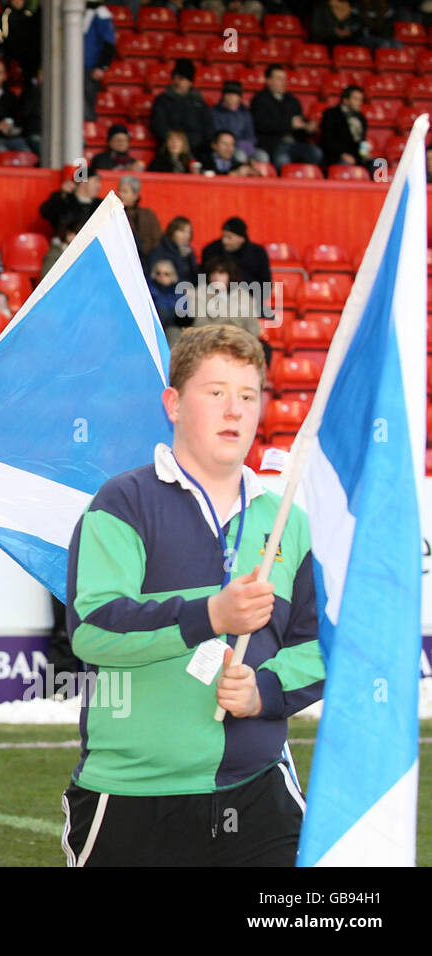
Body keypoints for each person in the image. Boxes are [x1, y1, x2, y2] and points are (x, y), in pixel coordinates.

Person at [62, 325, 323, 866]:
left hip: (259, 791)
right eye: (216, 392)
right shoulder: (123, 502)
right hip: (132, 792)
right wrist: (211, 614)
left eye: (248, 395)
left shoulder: (287, 521)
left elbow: (321, 645)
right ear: (174, 403)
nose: (234, 410)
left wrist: (264, 692)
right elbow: (93, 628)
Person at [250, 64, 322, 170]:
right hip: (273, 145)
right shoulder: (259, 100)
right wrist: (288, 124)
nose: (283, 82)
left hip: (295, 143)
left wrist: (307, 127)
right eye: (279, 78)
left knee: (315, 153)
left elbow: (299, 124)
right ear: (268, 81)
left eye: (284, 79)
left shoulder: (292, 101)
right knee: (283, 160)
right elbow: (262, 125)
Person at [149, 59, 213, 154]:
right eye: (176, 78)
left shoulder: (200, 103)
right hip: (171, 149)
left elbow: (208, 129)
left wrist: (195, 143)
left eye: (182, 78)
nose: (178, 82)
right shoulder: (162, 100)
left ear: (190, 82)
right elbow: (159, 125)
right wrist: (176, 141)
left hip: (197, 150)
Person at [200, 216, 271, 292]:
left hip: (249, 296)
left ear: (241, 239)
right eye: (223, 236)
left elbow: (266, 283)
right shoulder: (211, 250)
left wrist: (255, 298)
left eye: (229, 237)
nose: (224, 241)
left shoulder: (258, 253)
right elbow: (202, 278)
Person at [320, 85, 371, 170]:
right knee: (346, 164)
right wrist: (342, 154)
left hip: (357, 158)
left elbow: (362, 141)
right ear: (345, 100)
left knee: (379, 164)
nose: (359, 103)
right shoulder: (331, 114)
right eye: (356, 99)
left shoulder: (361, 118)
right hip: (336, 157)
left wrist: (365, 154)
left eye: (361, 100)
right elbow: (327, 140)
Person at [81, 0, 116, 122]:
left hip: (90, 67)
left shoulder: (102, 14)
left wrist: (102, 66)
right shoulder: (81, 11)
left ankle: (88, 129)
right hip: (76, 65)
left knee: (86, 107)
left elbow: (109, 43)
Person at [211, 81, 258, 163]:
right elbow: (218, 135)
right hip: (226, 147)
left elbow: (250, 135)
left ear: (239, 97)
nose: (231, 97)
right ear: (224, 96)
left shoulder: (245, 113)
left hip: (245, 147)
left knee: (262, 156)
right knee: (240, 156)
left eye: (234, 95)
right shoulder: (215, 112)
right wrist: (233, 144)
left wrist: (248, 148)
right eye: (228, 94)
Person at [147, 215, 199, 289]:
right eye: (181, 231)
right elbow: (154, 276)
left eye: (189, 232)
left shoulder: (189, 252)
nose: (186, 235)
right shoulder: (159, 251)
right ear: (172, 231)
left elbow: (194, 276)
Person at [117, 174, 161, 258]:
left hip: (148, 258)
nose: (120, 194)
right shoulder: (115, 214)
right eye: (119, 191)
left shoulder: (148, 215)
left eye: (125, 191)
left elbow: (156, 239)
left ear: (135, 195)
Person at [148, 257, 188, 346]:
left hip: (173, 327)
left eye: (166, 274)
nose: (161, 276)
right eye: (158, 273)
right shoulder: (149, 290)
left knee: (173, 333)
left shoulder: (179, 292)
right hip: (153, 326)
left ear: (173, 276)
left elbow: (183, 314)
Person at [0, 0, 39, 81]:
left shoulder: (30, 15)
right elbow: (1, 37)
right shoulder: (5, 16)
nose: (18, 1)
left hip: (28, 53)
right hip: (10, 53)